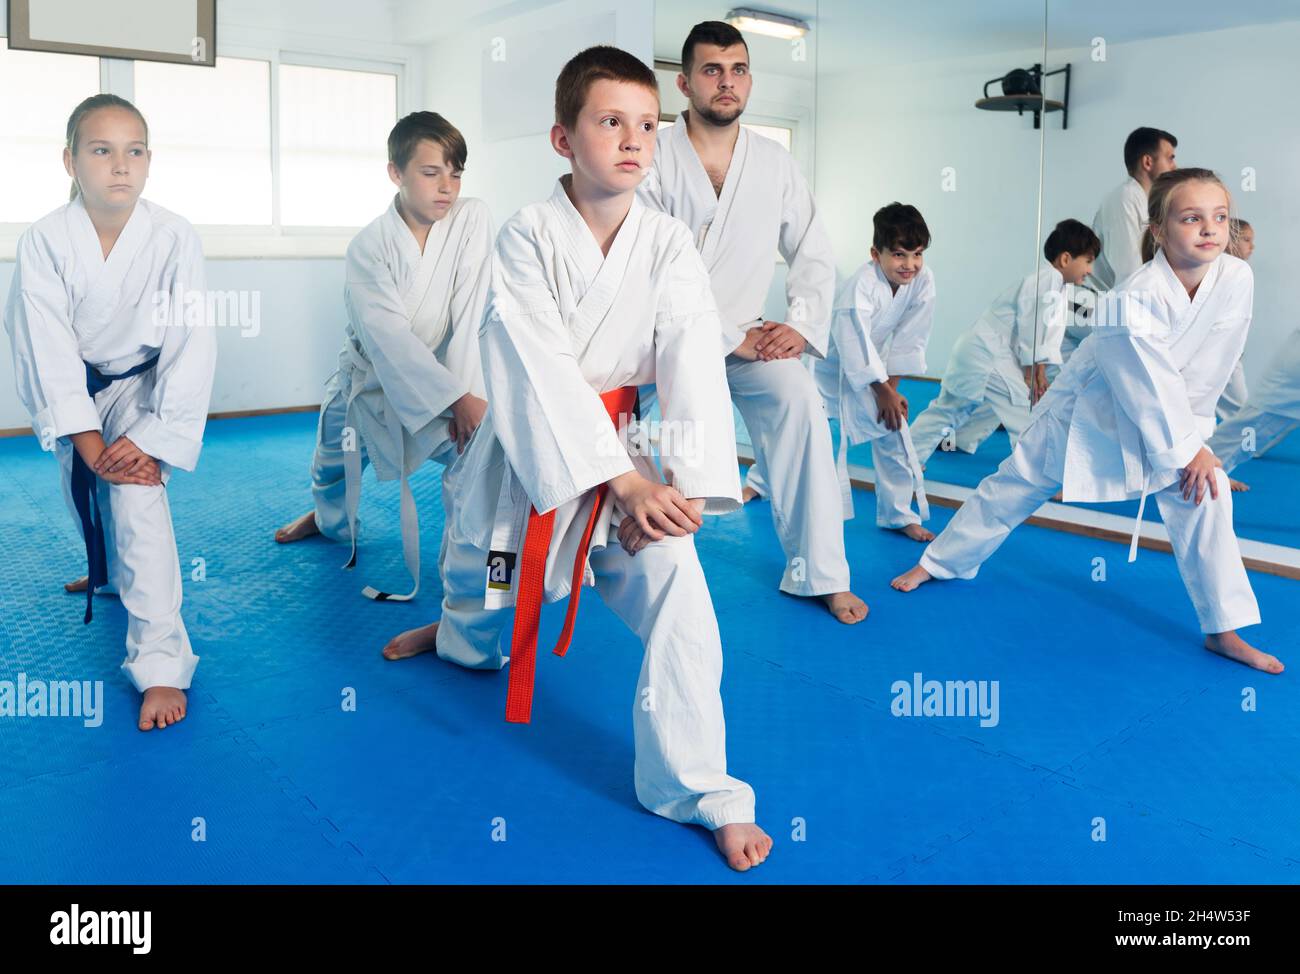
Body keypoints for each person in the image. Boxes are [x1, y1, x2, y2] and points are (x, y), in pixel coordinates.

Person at [382, 46, 771, 871]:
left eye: (647, 124)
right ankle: (459, 636)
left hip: (633, 458)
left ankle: (700, 787)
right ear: (563, 139)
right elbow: (536, 364)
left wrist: (684, 485)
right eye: (610, 122)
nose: (634, 140)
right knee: (485, 583)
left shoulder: (667, 242)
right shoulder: (526, 235)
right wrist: (620, 481)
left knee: (684, 608)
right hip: (528, 457)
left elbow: (693, 356)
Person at [892, 169, 1282, 676]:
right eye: (1192, 218)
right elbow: (1145, 383)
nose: (1210, 229)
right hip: (1088, 415)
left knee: (1208, 497)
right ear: (1159, 230)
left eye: (1220, 217)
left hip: (1173, 422)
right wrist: (1187, 448)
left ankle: (1223, 630)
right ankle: (939, 562)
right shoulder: (1130, 300)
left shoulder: (1236, 278)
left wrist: (1196, 446)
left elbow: (1213, 366)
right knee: (1013, 484)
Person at [637, 20, 868, 624]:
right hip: (653, 337)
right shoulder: (652, 155)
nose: (727, 81)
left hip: (748, 339)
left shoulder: (774, 163)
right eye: (712, 70)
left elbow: (813, 251)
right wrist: (727, 336)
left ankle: (820, 573)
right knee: (606, 426)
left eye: (738, 69)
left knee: (800, 404)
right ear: (684, 82)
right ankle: (584, 556)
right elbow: (651, 265)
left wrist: (801, 324)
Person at [3, 94, 217, 730]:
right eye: (101, 150)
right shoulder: (44, 240)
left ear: (149, 162)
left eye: (134, 151)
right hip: (79, 387)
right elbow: (43, 341)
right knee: (85, 498)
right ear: (70, 160)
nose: (120, 165)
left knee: (135, 497)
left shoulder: (174, 234)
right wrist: (86, 439)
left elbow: (192, 340)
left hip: (146, 386)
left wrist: (152, 437)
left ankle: (160, 666)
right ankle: (105, 570)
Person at [275, 112, 493, 611]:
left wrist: (466, 396)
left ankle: (465, 603)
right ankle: (328, 519)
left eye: (456, 172)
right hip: (368, 380)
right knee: (332, 460)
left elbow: (472, 308)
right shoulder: (369, 247)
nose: (447, 187)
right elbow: (388, 338)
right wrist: (455, 395)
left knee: (476, 461)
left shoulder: (471, 218)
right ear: (395, 173)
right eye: (431, 172)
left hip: (442, 379)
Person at [749, 203, 935, 539]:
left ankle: (898, 514)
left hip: (872, 370)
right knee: (807, 437)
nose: (910, 264)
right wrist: (883, 391)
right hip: (829, 371)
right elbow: (853, 345)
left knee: (893, 431)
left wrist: (891, 391)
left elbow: (910, 339)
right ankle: (758, 482)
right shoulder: (860, 286)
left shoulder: (922, 282)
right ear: (875, 254)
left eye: (917, 254)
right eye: (899, 255)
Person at [909, 219, 1100, 465]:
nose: (1090, 271)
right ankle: (1036, 476)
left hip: (978, 351)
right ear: (1065, 259)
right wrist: (1033, 371)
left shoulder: (1056, 286)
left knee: (949, 409)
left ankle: (906, 461)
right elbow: (1031, 323)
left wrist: (1038, 369)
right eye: (1088, 261)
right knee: (1023, 410)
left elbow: (1043, 331)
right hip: (987, 354)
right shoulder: (1047, 279)